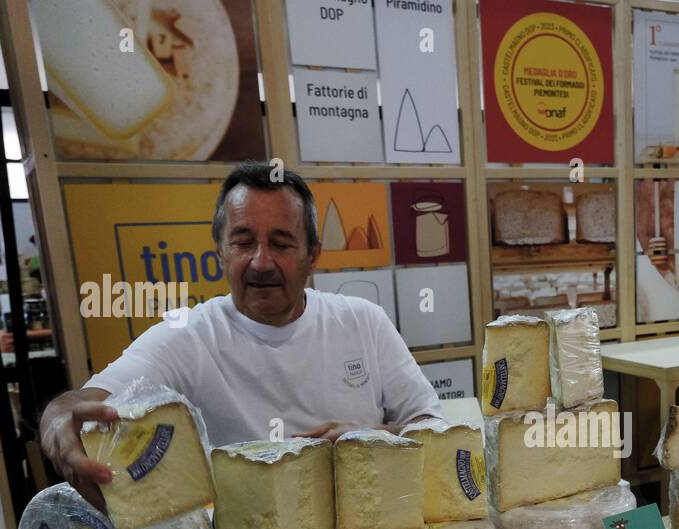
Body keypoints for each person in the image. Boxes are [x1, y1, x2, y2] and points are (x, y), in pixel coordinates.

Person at [40, 161, 442, 511]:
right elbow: (82, 401)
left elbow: (430, 426)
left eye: (281, 243)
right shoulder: (190, 336)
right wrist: (58, 423)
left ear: (313, 255)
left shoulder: (362, 322)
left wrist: (370, 438)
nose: (261, 262)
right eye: (244, 242)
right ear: (220, 252)